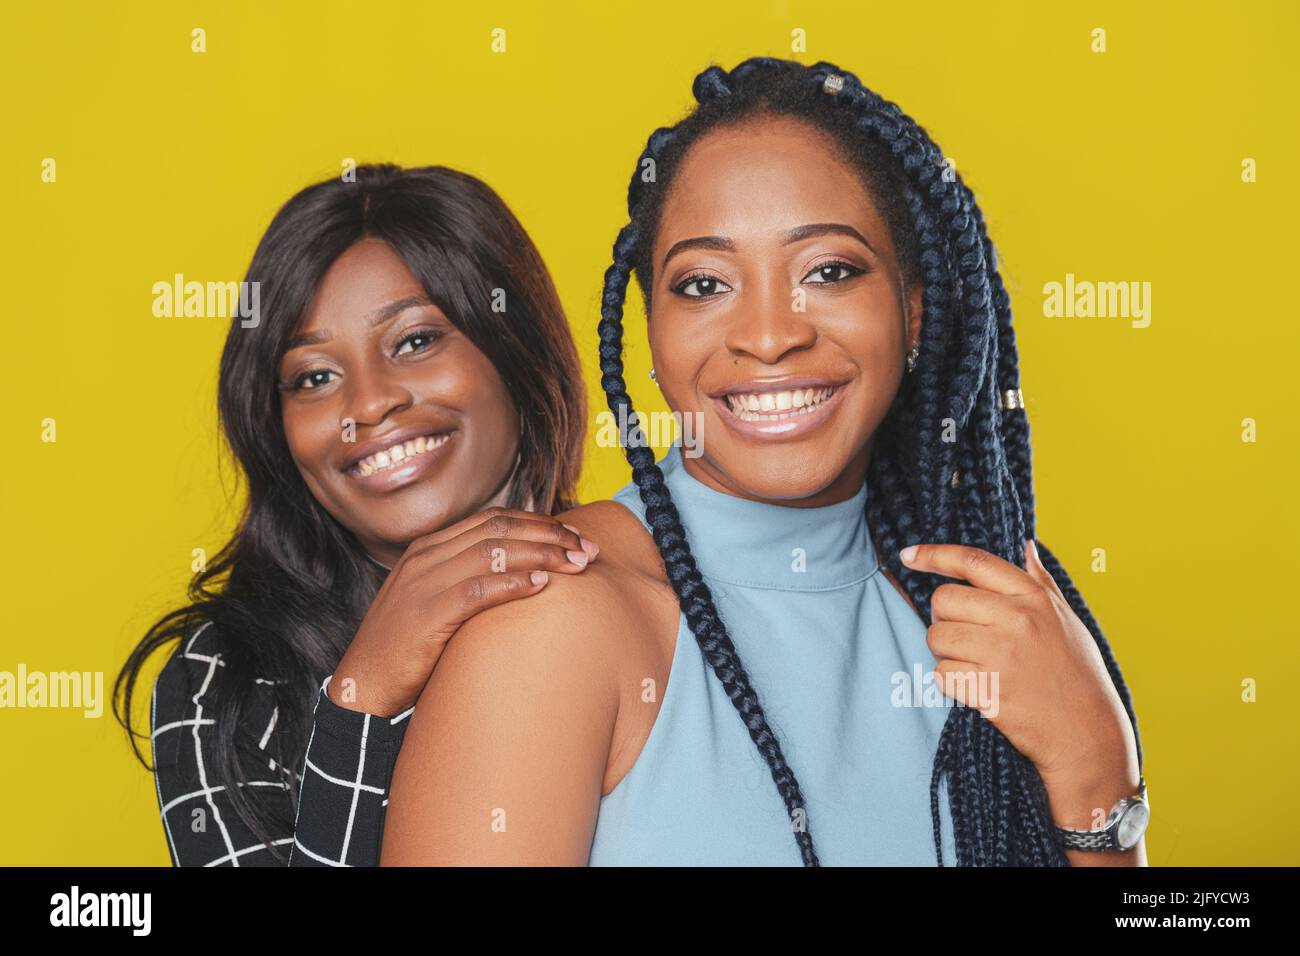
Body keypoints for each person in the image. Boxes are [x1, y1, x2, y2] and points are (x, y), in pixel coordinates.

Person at [380, 59, 1146, 867]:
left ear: (914, 310)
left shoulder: (981, 614)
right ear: (651, 333)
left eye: (830, 271)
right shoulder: (552, 624)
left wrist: (1098, 768)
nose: (771, 334)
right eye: (705, 284)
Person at [114, 164, 598, 866]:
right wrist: (362, 698)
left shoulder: (642, 593)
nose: (369, 405)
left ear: (516, 351)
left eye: (415, 341)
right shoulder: (220, 681)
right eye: (314, 377)